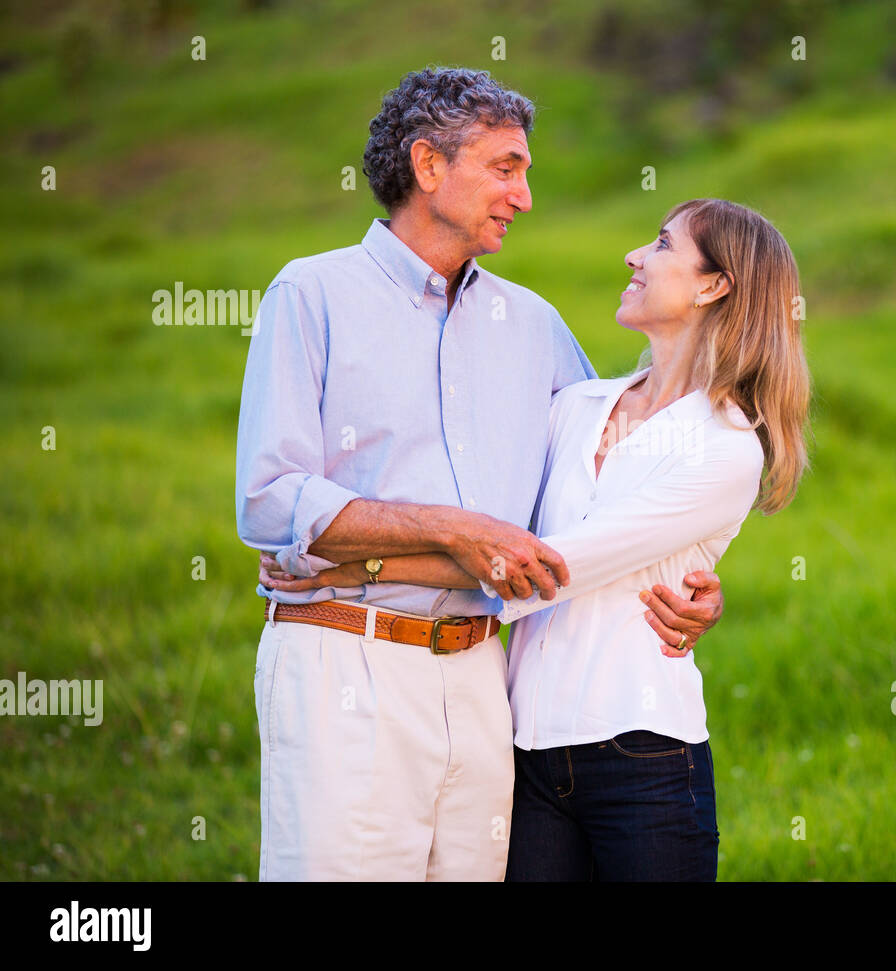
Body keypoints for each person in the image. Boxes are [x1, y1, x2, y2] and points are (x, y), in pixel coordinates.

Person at [236, 68, 725, 882]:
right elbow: (271, 498)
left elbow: (594, 496)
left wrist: (696, 577)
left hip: (484, 675)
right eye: (506, 168)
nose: (524, 196)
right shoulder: (312, 293)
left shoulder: (533, 324)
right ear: (429, 167)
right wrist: (454, 528)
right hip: (344, 661)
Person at [263, 198, 811, 880]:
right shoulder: (580, 405)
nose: (635, 255)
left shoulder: (726, 447)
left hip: (642, 752)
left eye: (663, 245)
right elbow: (502, 521)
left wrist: (356, 561)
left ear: (713, 285)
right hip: (525, 749)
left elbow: (544, 566)